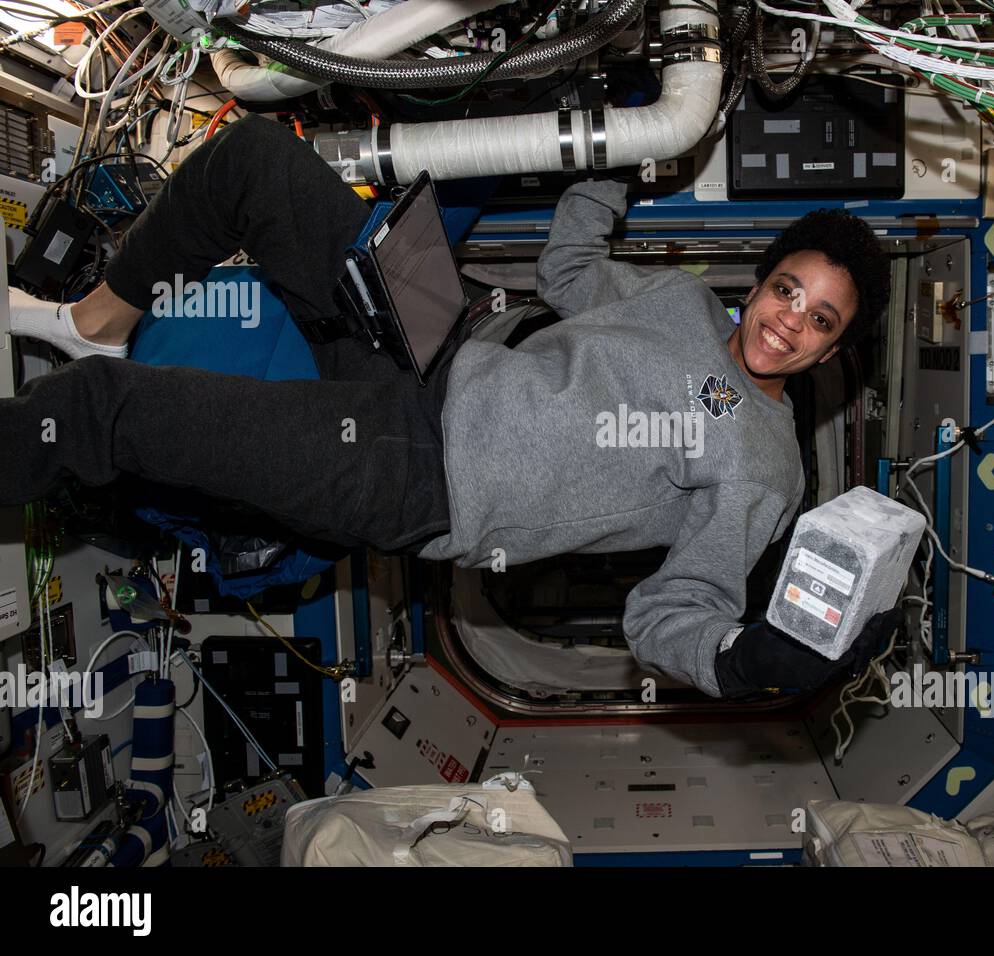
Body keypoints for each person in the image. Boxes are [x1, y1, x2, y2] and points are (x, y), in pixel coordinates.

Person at [3, 113, 898, 699]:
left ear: (836, 351)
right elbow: (569, 274)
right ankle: (96, 320)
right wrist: (619, 158)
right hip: (436, 333)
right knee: (253, 161)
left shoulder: (765, 465)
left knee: (108, 412)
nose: (790, 325)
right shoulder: (686, 307)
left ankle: (82, 384)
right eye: (787, 290)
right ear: (764, 280)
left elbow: (669, 612)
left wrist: (735, 661)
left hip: (426, 473)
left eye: (821, 321)